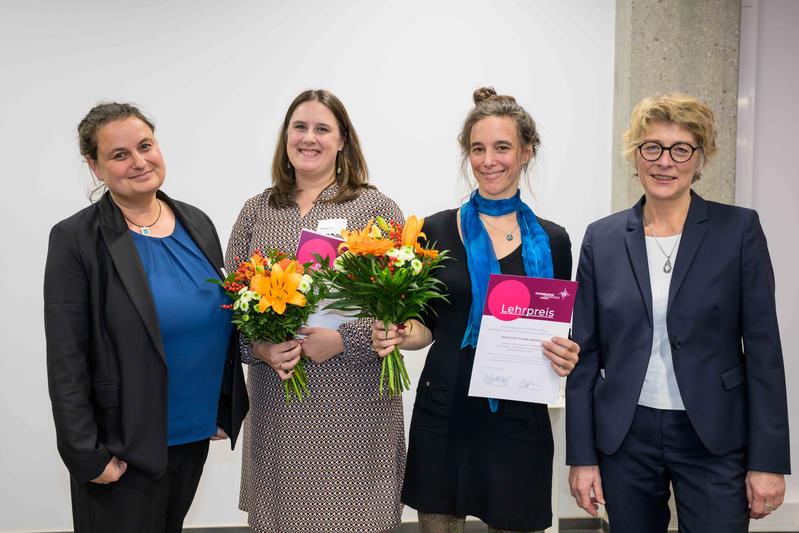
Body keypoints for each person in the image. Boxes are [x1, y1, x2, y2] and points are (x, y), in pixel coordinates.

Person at [566, 93, 791, 532]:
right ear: (636, 156)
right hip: (625, 436)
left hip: (714, 433)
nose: (664, 161)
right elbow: (585, 354)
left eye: (680, 149)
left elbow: (765, 352)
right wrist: (582, 457)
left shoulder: (738, 230)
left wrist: (768, 462)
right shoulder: (603, 238)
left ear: (700, 158)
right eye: (652, 147)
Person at [372, 87, 580, 533]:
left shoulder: (555, 240)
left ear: (526, 152)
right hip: (445, 414)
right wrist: (397, 333)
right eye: (477, 149)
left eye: (502, 147)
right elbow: (426, 324)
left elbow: (558, 330)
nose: (489, 160)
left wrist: (567, 353)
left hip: (518, 417)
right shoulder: (435, 230)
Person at [44, 102, 248, 533]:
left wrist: (222, 406)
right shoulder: (76, 238)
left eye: (145, 146)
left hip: (192, 435)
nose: (139, 162)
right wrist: (85, 451)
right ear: (95, 168)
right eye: (119, 155)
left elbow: (218, 320)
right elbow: (67, 355)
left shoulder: (197, 222)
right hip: (122, 446)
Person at [227, 89, 405, 533]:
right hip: (280, 405)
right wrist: (262, 347)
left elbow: (403, 311)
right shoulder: (257, 211)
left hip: (357, 407)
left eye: (322, 129)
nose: (310, 138)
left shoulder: (376, 209)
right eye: (299, 128)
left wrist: (346, 340)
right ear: (286, 137)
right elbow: (229, 306)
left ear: (343, 139)